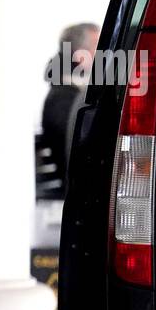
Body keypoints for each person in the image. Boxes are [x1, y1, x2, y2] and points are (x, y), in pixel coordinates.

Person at [38, 22, 97, 198]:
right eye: (97, 46)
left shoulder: (69, 91)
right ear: (80, 56)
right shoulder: (64, 98)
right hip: (83, 188)